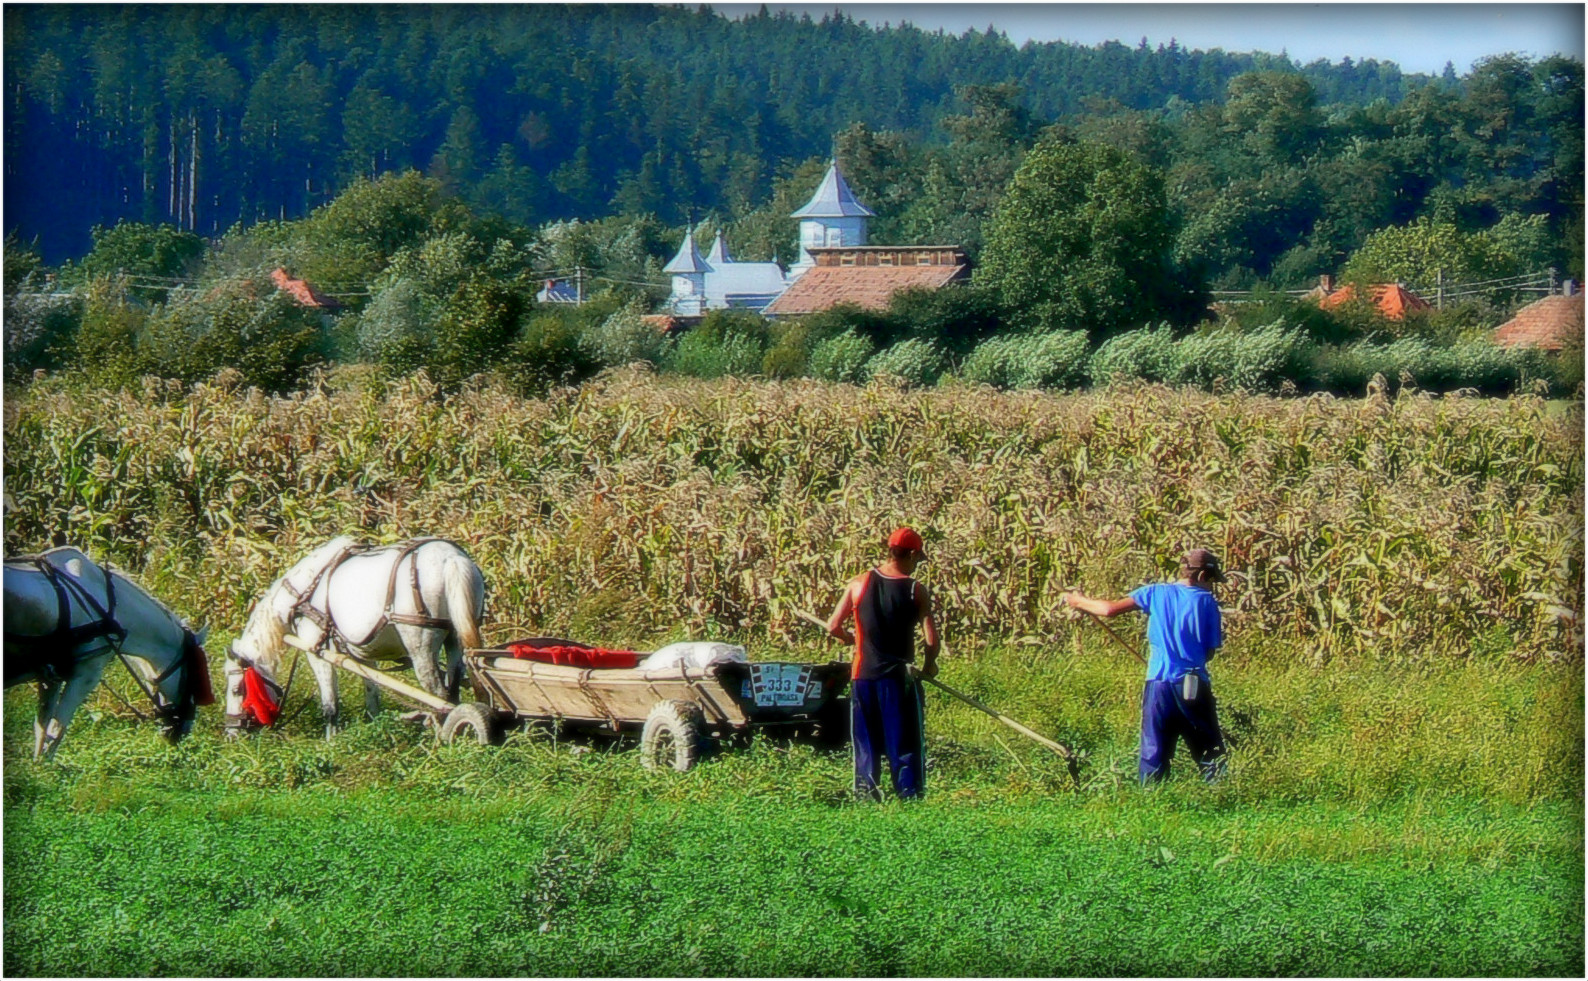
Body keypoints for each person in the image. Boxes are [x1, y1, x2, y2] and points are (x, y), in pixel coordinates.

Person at [1065, 548, 1227, 784]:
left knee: (1154, 749)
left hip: (1158, 684)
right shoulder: (1207, 602)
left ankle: (1151, 796)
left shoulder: (1154, 593)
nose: (1212, 587)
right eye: (1212, 582)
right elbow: (1209, 651)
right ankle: (1220, 794)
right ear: (1203, 577)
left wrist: (1078, 601)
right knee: (1209, 750)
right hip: (1192, 684)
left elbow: (1109, 610)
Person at [826, 527, 940, 800]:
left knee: (865, 742)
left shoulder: (858, 583)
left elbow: (832, 626)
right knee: (905, 742)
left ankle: (866, 794)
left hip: (862, 676)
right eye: (917, 559)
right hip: (898, 678)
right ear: (911, 554)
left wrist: (849, 638)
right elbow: (931, 639)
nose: (916, 564)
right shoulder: (915, 590)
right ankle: (909, 796)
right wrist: (929, 665)